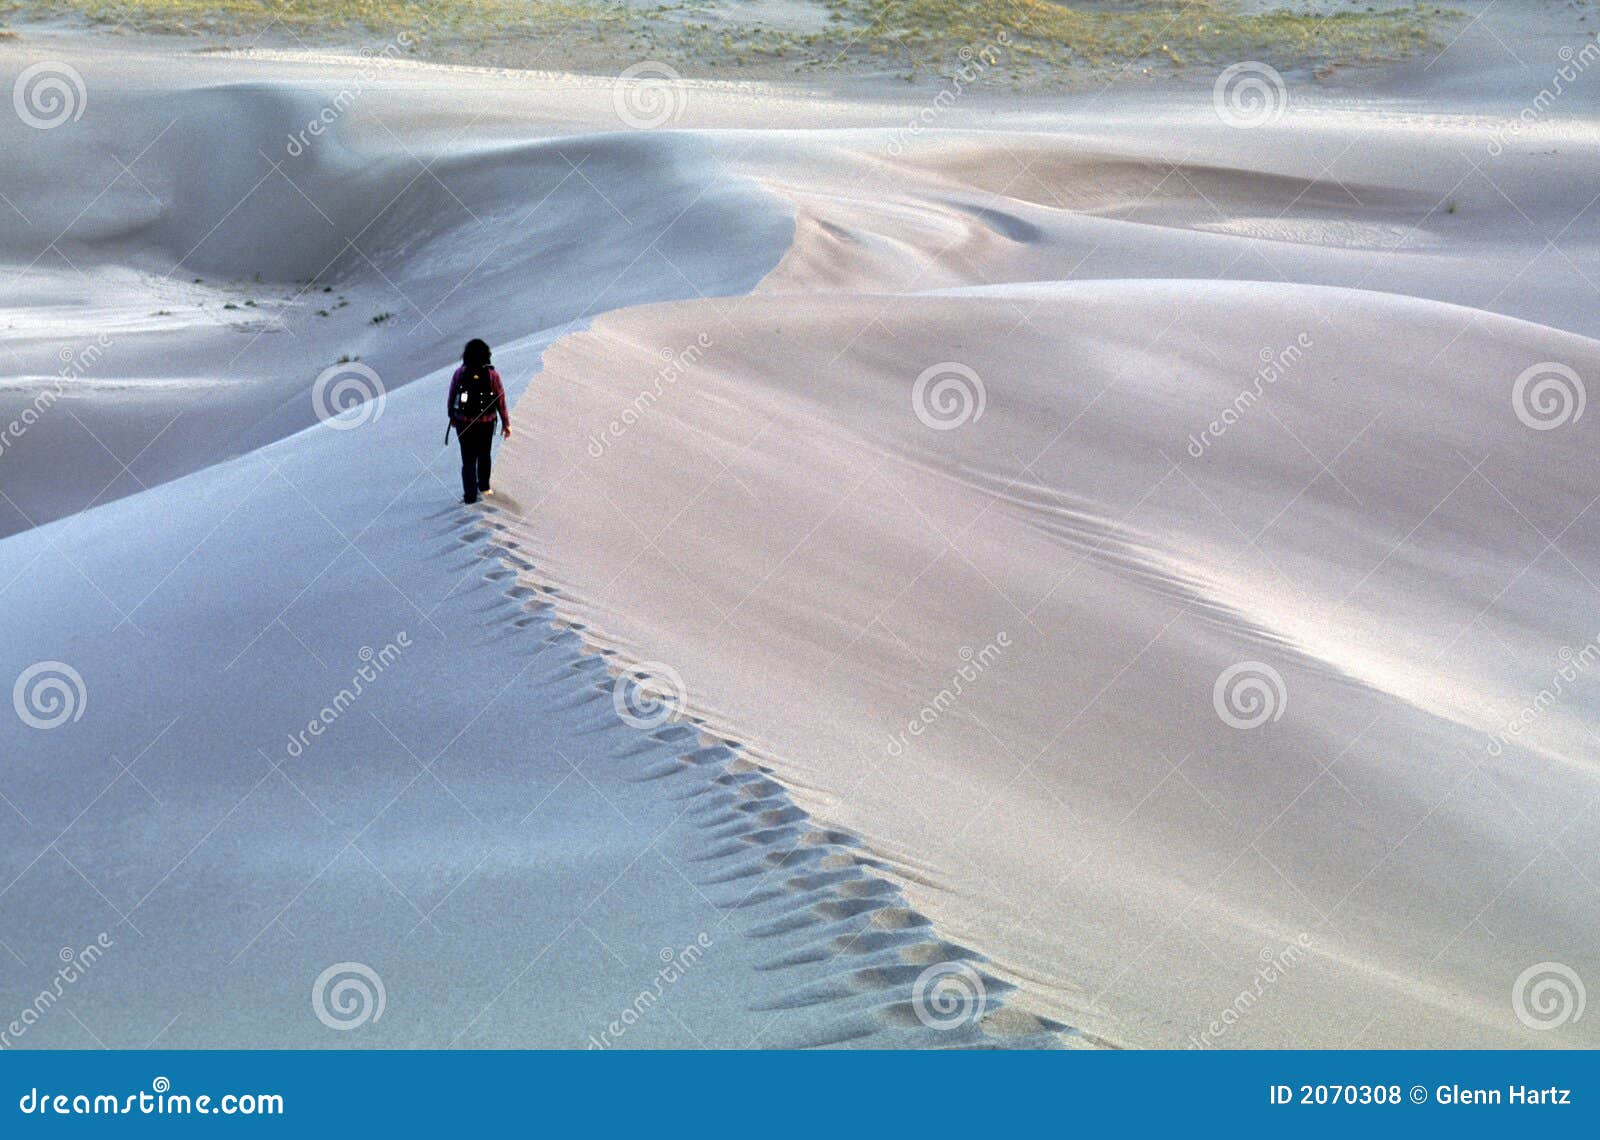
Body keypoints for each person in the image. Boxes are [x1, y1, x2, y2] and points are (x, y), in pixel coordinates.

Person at [446, 339, 511, 504]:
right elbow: (500, 399)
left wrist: (452, 417)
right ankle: (484, 488)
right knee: (484, 455)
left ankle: (470, 495)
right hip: (486, 422)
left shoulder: (460, 373)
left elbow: (452, 396)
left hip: (463, 423)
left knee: (468, 459)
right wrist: (506, 423)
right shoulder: (492, 375)